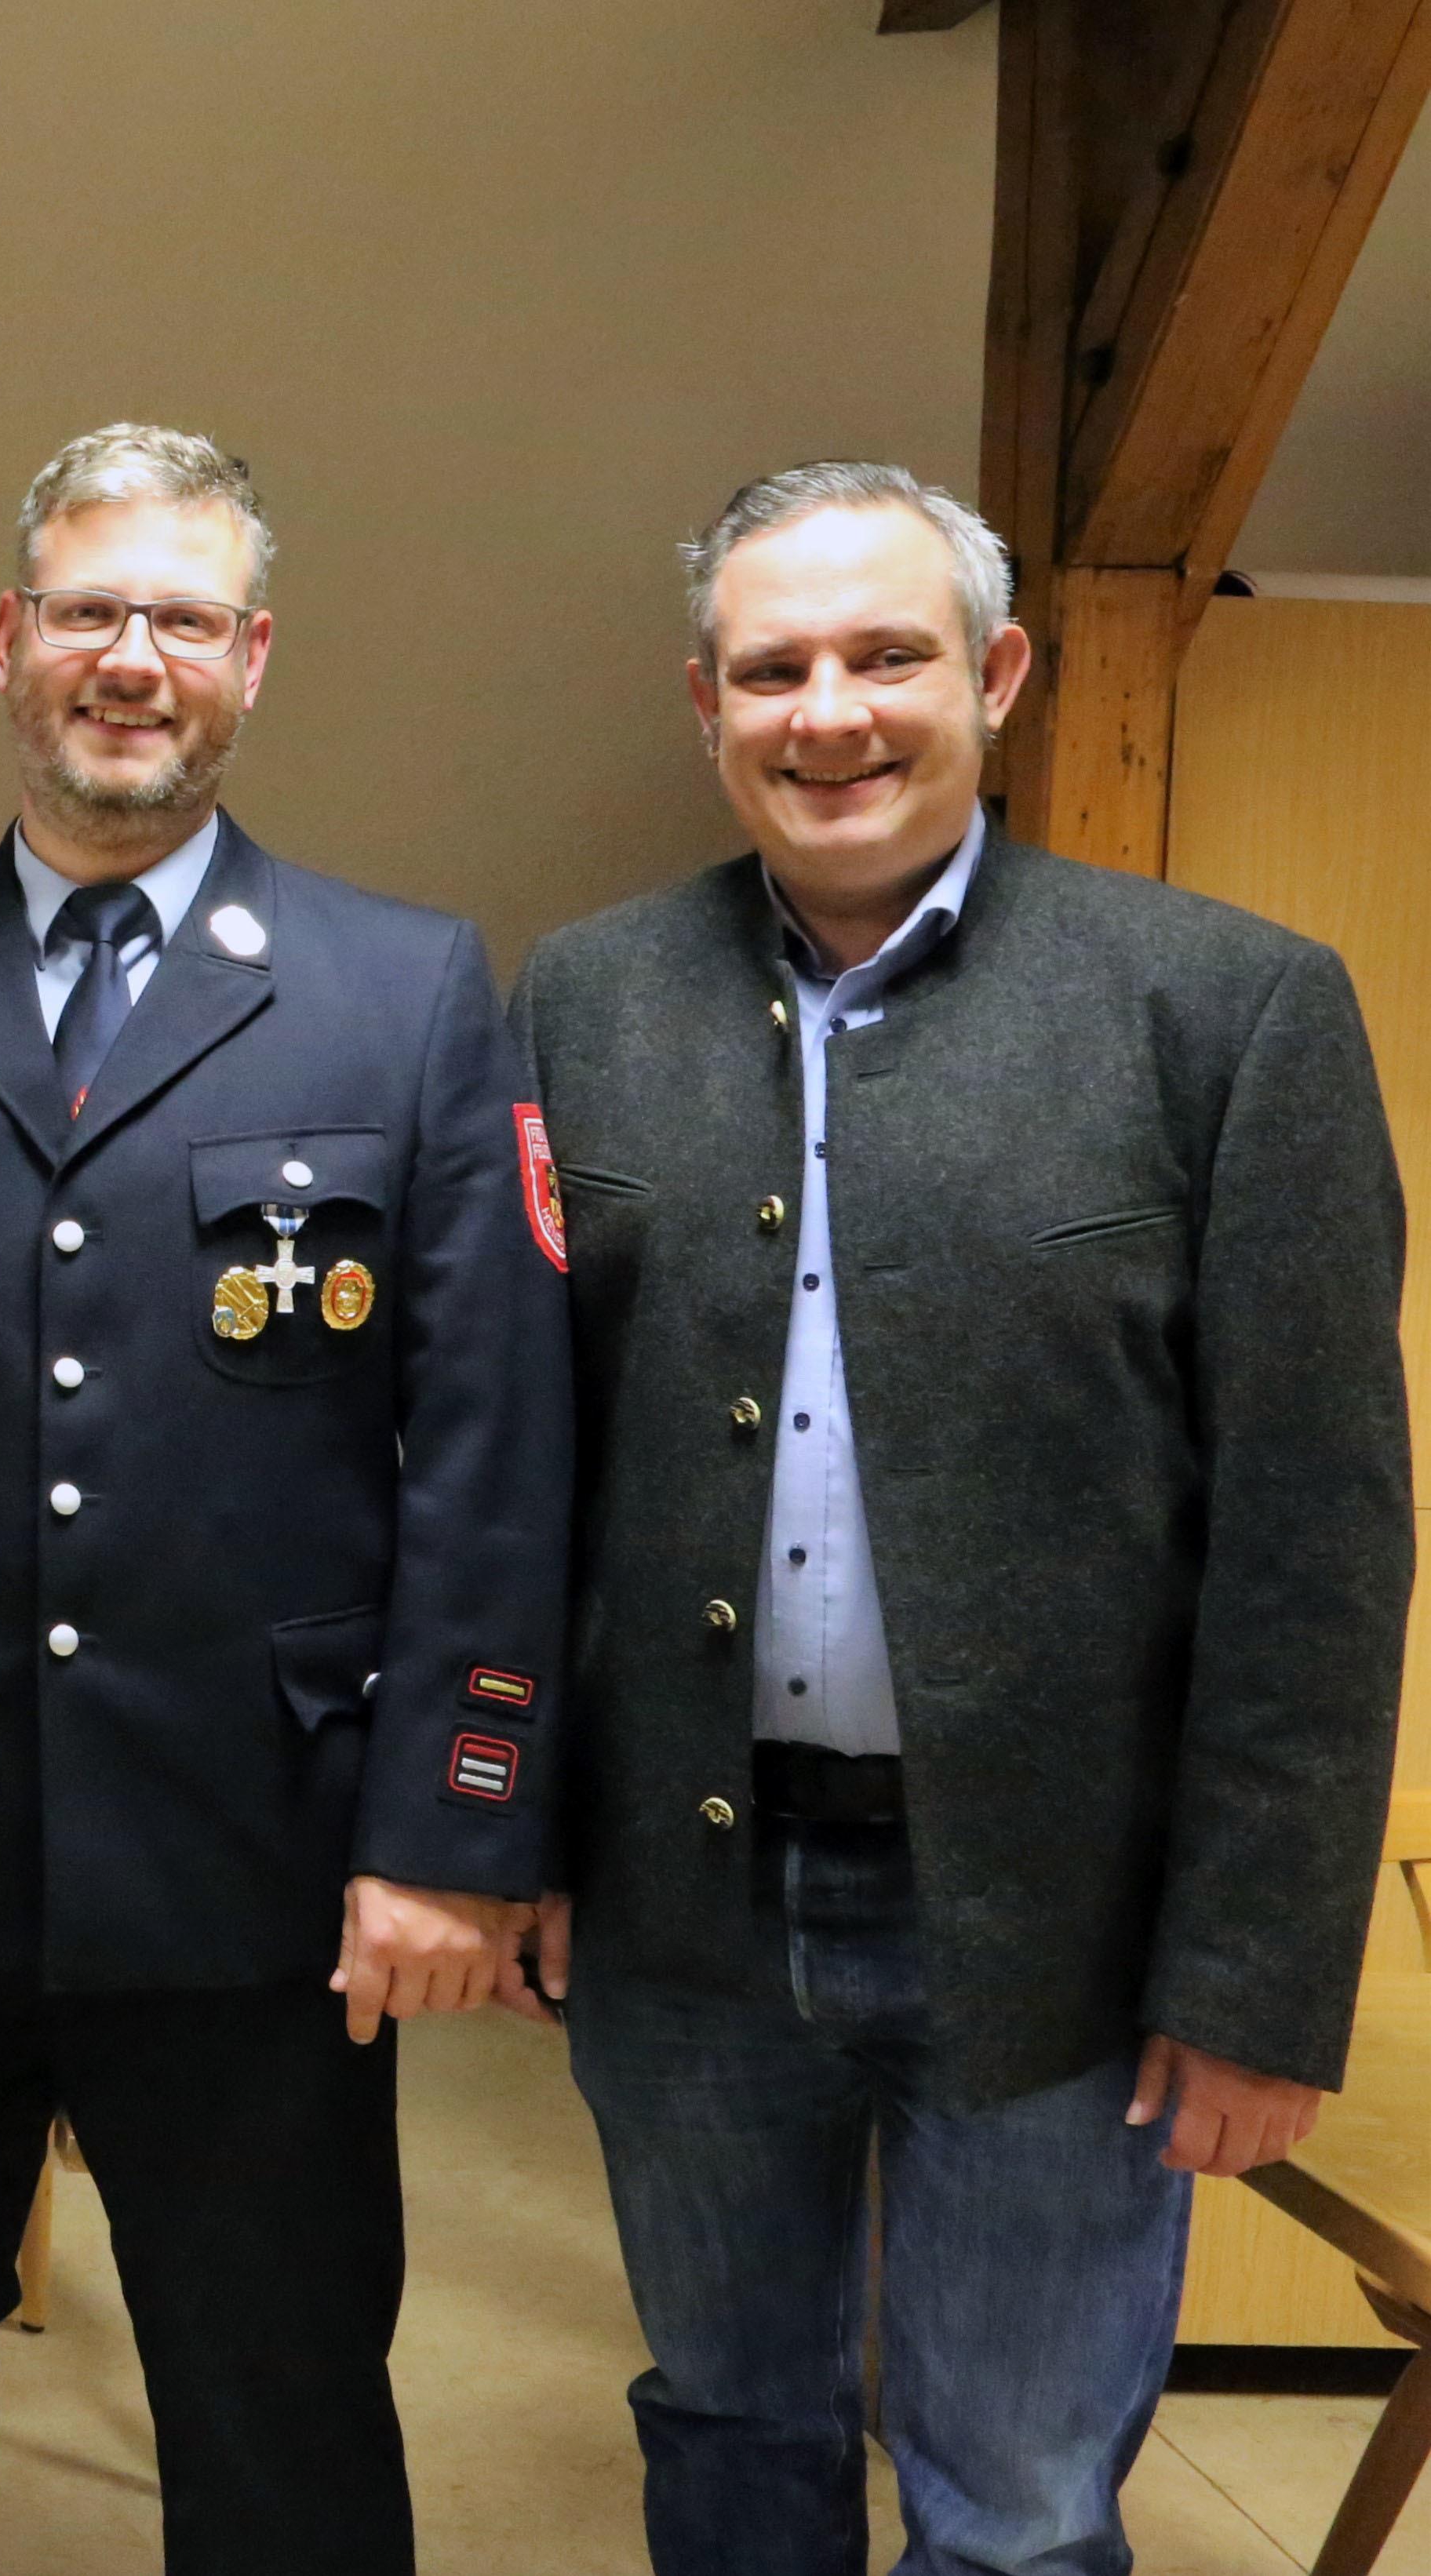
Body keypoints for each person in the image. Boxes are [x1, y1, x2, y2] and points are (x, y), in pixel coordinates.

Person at [510, 460, 1410, 2576]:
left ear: (993, 674)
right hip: (683, 1900)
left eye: (883, 655)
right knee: (725, 2428)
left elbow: (1312, 1535)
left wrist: (1257, 1972)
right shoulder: (579, 999)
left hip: (1055, 1927)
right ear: (703, 706)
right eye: (771, 667)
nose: (826, 710)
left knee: (1010, 2502)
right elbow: (511, 1466)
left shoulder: (1220, 1007)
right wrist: (514, 1829)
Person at [0, 424, 575, 2576]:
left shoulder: (398, 987)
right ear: (6, 644)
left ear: (250, 659)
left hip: (257, 1864)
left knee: (274, 2406)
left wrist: (446, 1833)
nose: (128, 656)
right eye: (86, 611)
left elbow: (485, 1441)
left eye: (177, 618)